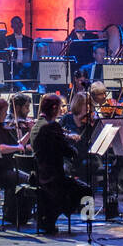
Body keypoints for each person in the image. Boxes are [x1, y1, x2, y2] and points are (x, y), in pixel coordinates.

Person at [31, 93, 92, 234]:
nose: (61, 110)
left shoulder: (37, 125)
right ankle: (87, 226)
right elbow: (68, 151)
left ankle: (49, 217)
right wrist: (73, 148)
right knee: (86, 190)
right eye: (59, 107)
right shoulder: (52, 127)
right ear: (53, 108)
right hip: (53, 178)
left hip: (40, 175)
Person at [0, 95, 33, 227]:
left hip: (7, 168)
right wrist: (17, 147)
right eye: (5, 111)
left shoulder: (2, 127)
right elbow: (0, 148)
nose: (6, 114)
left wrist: (29, 132)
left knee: (30, 178)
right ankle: (15, 215)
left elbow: (18, 144)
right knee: (29, 179)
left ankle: (13, 215)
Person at [4, 16, 35, 82]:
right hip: (14, 64)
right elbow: (5, 54)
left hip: (26, 65)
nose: (17, 25)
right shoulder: (8, 39)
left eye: (18, 23)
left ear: (22, 25)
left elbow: (32, 54)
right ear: (12, 26)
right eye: (15, 23)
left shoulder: (29, 40)